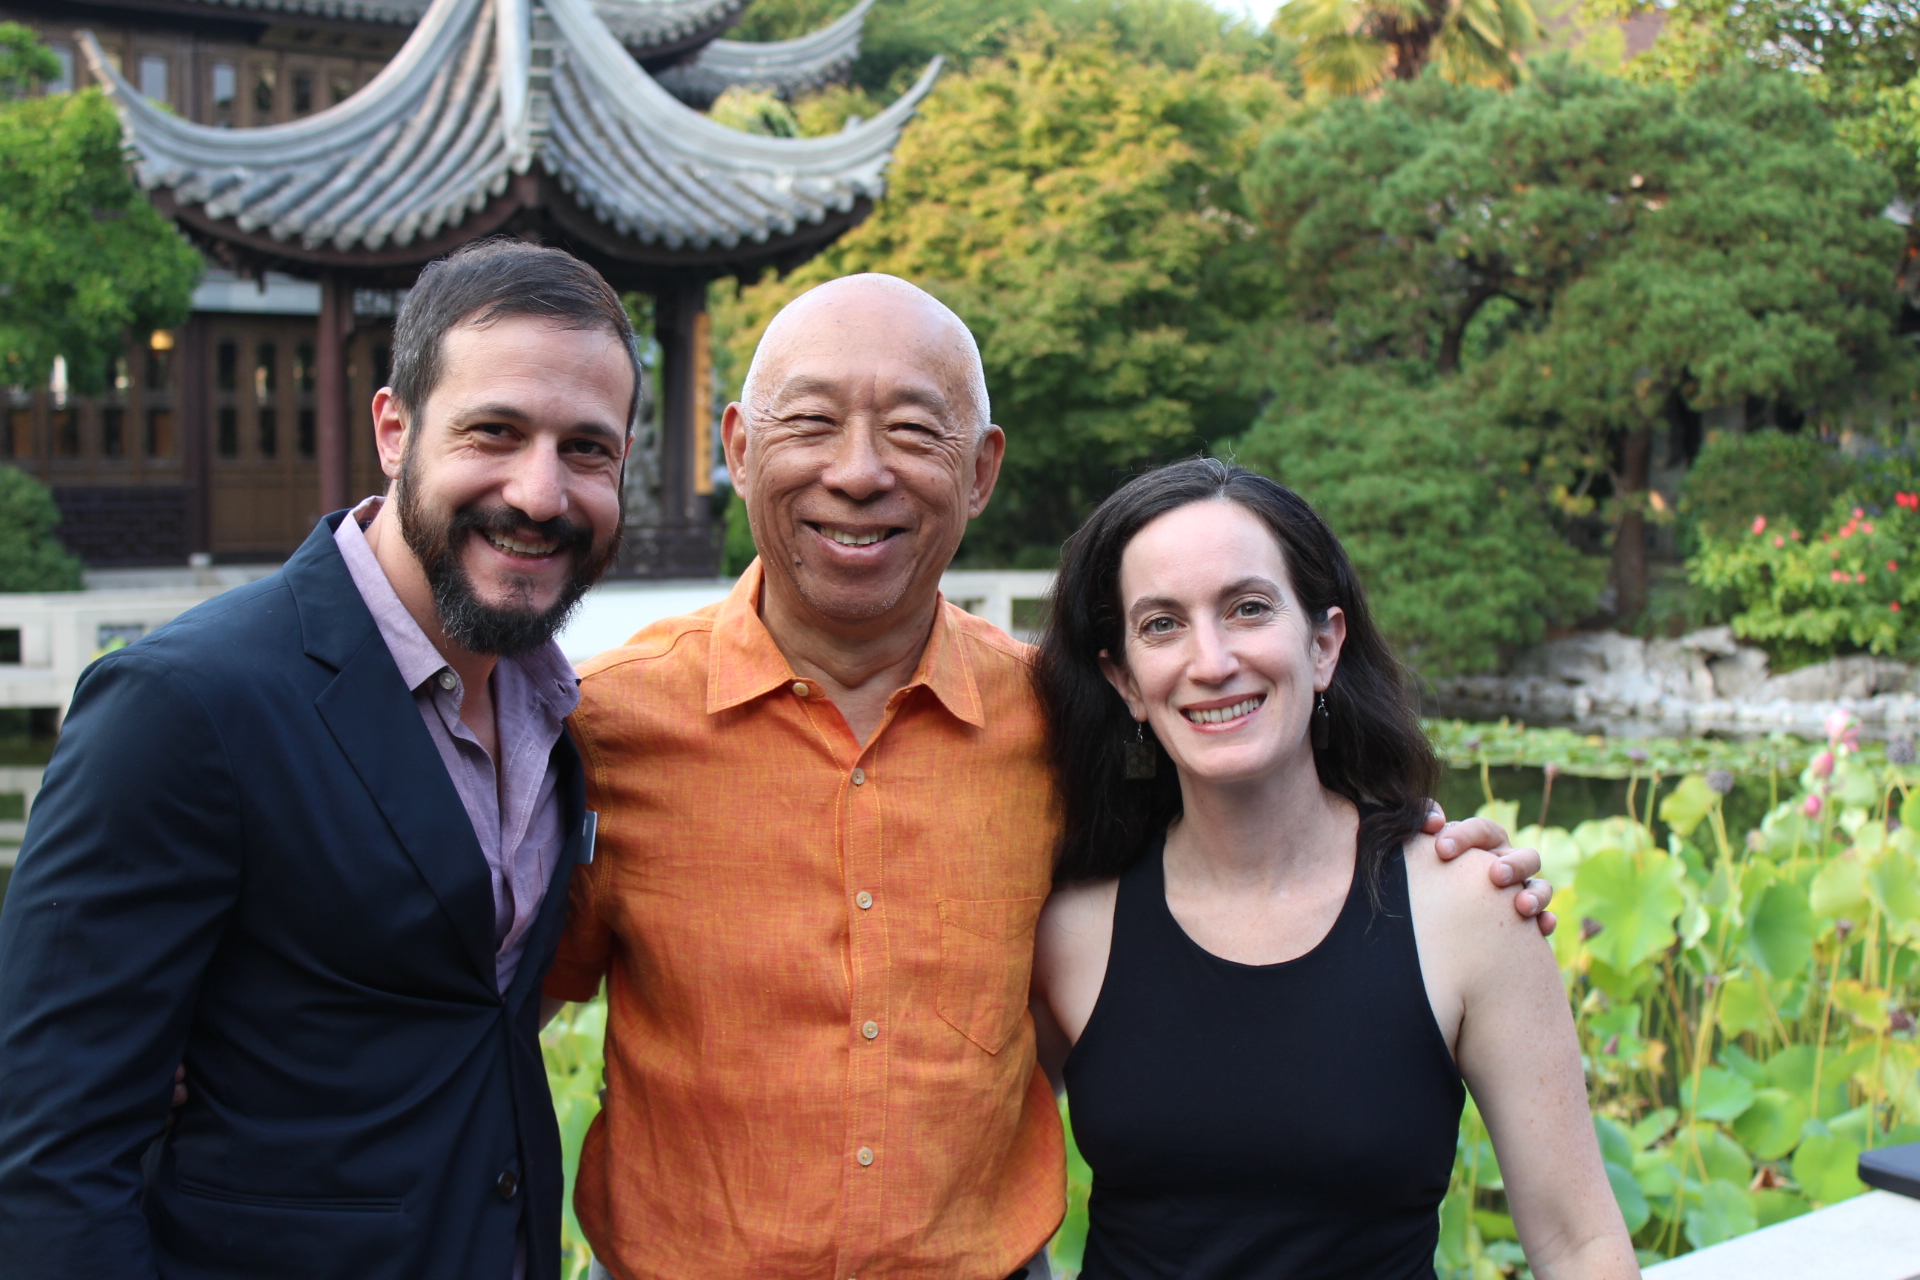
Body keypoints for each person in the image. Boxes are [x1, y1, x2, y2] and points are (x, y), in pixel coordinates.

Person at [540, 273, 1556, 1280]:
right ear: (737, 447)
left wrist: (1413, 849)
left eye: (912, 430)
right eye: (811, 422)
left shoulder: (1065, 724)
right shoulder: (605, 726)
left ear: (981, 470)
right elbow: (490, 1009)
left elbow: (1241, 797)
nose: (857, 472)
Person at [0, 238, 635, 1280]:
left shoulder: (561, 713)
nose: (539, 491)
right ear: (395, 429)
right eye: (495, 431)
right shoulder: (184, 706)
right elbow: (53, 1154)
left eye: (587, 449)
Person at [1030, 459, 1637, 1280]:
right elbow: (978, 1203)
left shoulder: (1468, 908)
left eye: (1248, 608)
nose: (1211, 660)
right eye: (1162, 624)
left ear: (1323, 644)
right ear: (1125, 681)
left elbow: (1579, 1243)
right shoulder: (1071, 927)